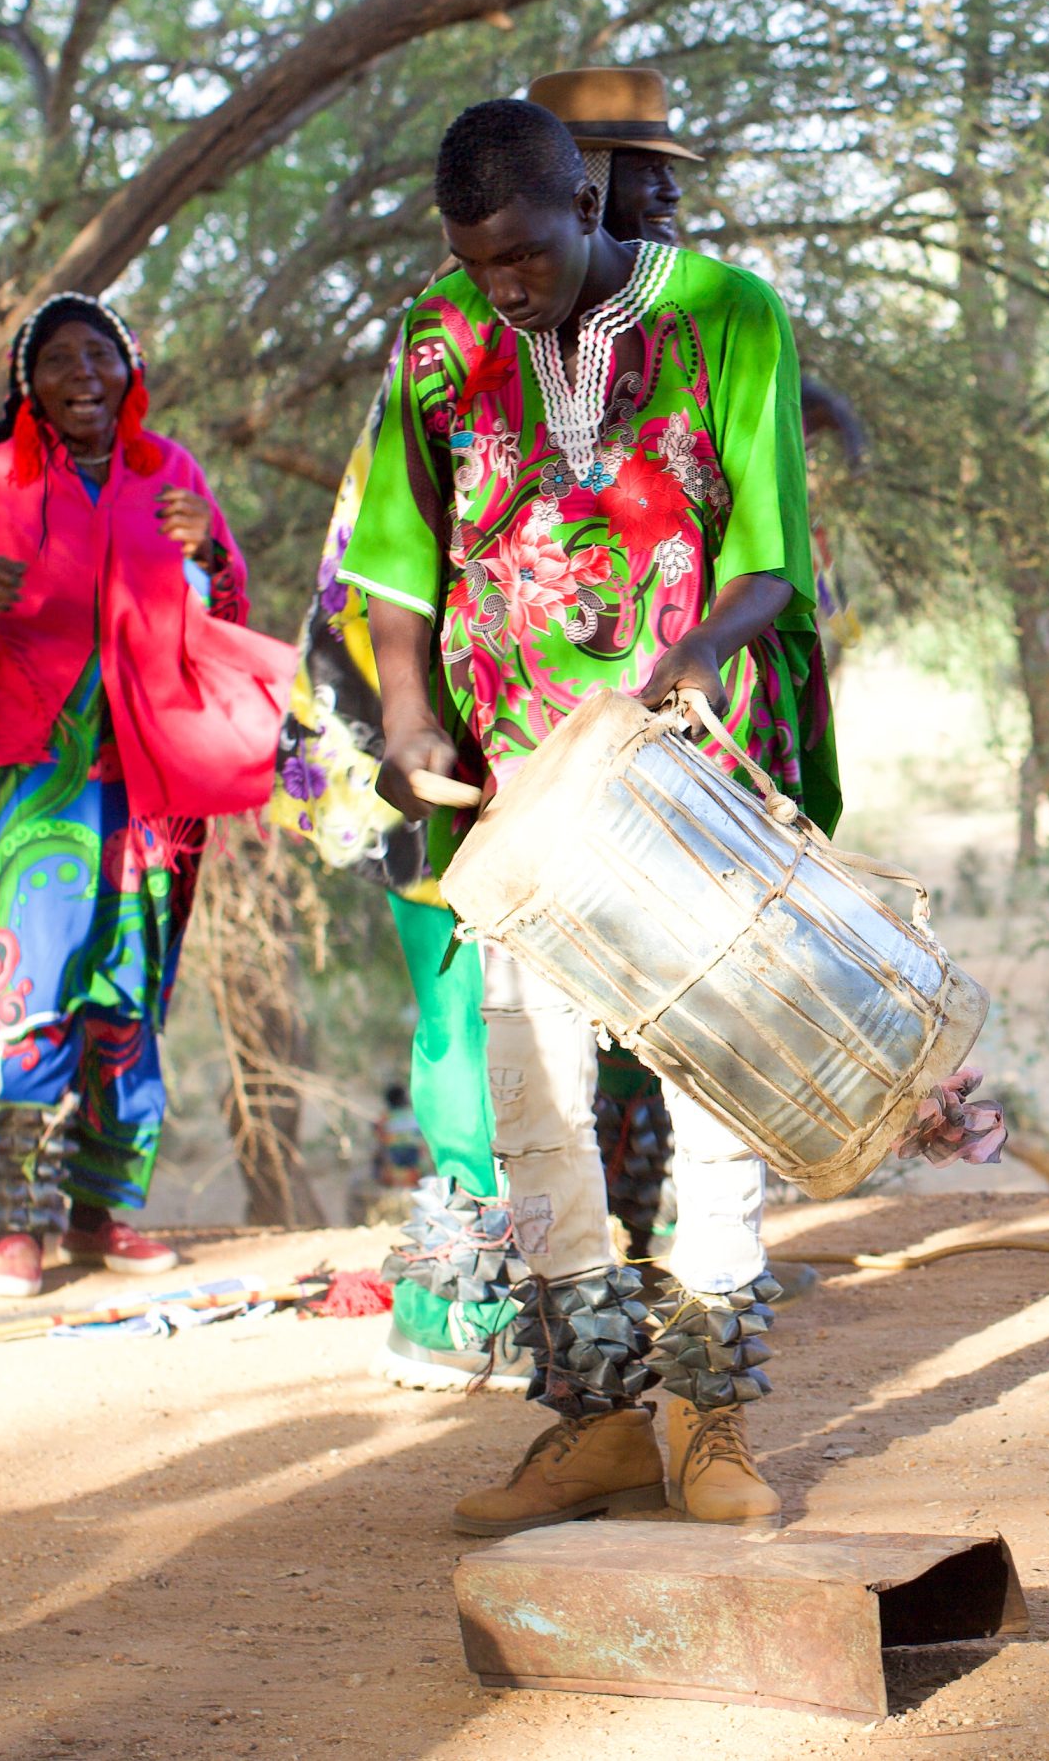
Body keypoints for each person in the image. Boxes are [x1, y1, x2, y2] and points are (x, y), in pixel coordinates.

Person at [339, 98, 840, 1531]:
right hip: (516, 776)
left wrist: (703, 645)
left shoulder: (730, 317)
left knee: (713, 1086)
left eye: (524, 255)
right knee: (533, 1096)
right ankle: (599, 1418)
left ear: (587, 200)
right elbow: (397, 547)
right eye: (475, 260)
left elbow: (771, 554)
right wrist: (404, 706)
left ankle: (715, 1416)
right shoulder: (440, 338)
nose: (503, 287)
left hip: (688, 764)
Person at [0, 294, 292, 1296]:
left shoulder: (172, 474)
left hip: (149, 789)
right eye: (59, 360)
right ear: (29, 386)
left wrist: (209, 549)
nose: (83, 373)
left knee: (126, 1001)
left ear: (130, 367)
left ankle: (101, 1213)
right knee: (36, 994)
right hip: (36, 790)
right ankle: (17, 1225)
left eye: (100, 354)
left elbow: (226, 610)